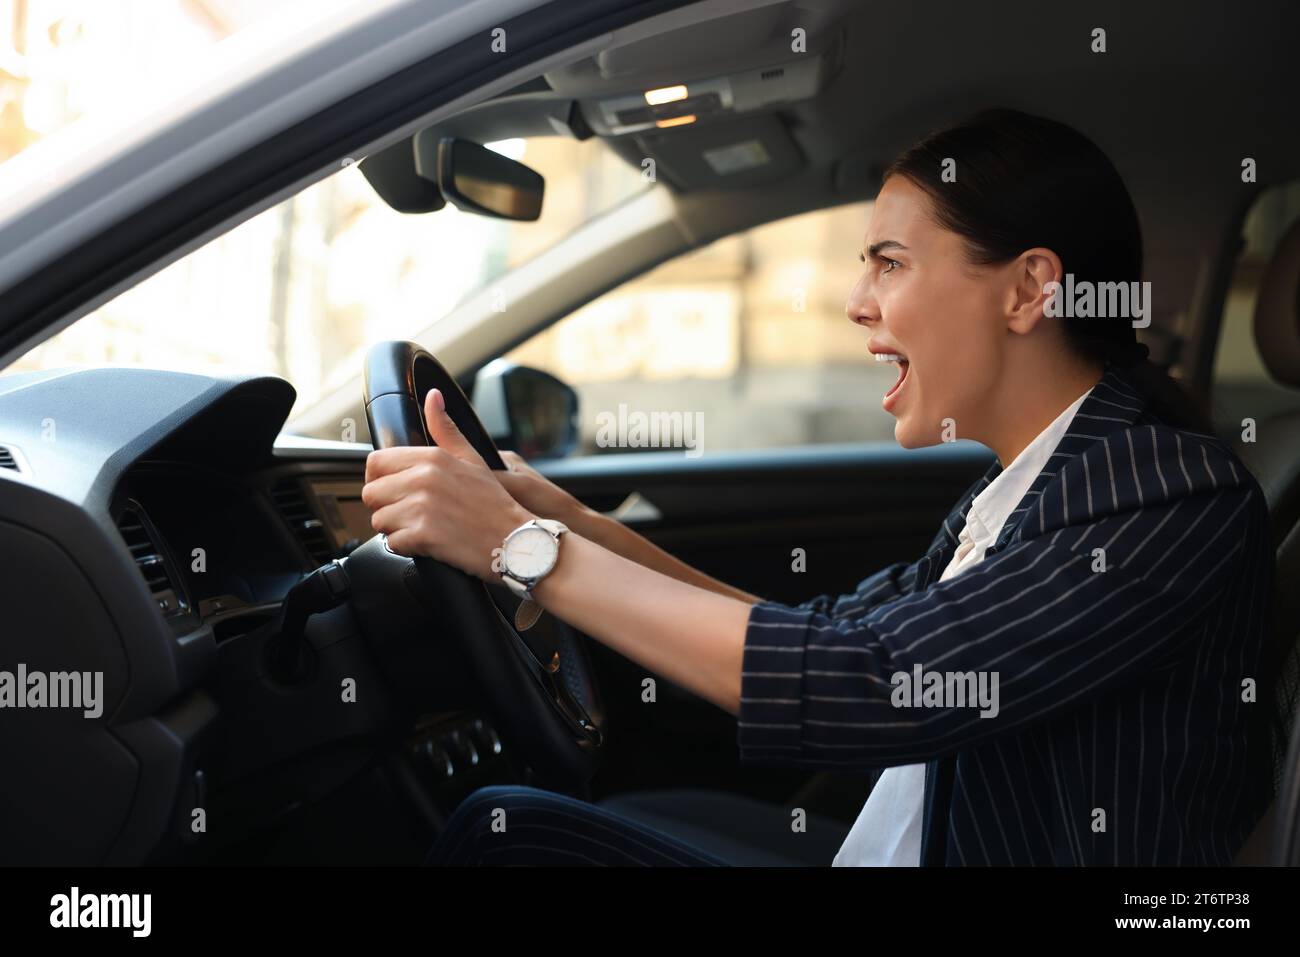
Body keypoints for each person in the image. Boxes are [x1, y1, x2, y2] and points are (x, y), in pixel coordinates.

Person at [361, 109, 1275, 866]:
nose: (855, 301)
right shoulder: (1026, 486)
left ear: (1029, 290)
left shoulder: (1170, 496)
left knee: (507, 837)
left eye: (889, 262)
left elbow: (876, 684)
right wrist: (572, 524)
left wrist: (519, 551)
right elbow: (835, 636)